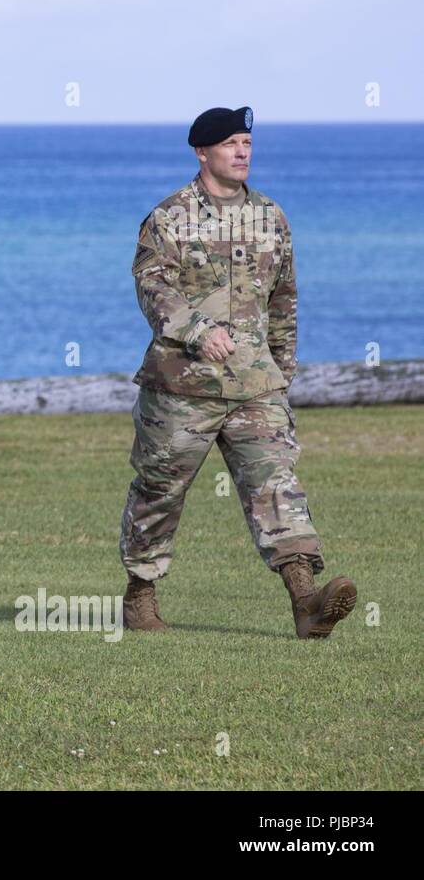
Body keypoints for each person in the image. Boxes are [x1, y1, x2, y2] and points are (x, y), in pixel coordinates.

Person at [120, 105, 357, 639]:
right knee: (160, 490)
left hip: (256, 385)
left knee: (276, 484)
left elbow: (284, 297)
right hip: (183, 384)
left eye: (247, 143)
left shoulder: (272, 215)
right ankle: (140, 596)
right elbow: (153, 288)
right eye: (230, 144)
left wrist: (282, 366)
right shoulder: (168, 218)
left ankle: (307, 601)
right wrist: (199, 330)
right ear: (202, 152)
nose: (242, 152)